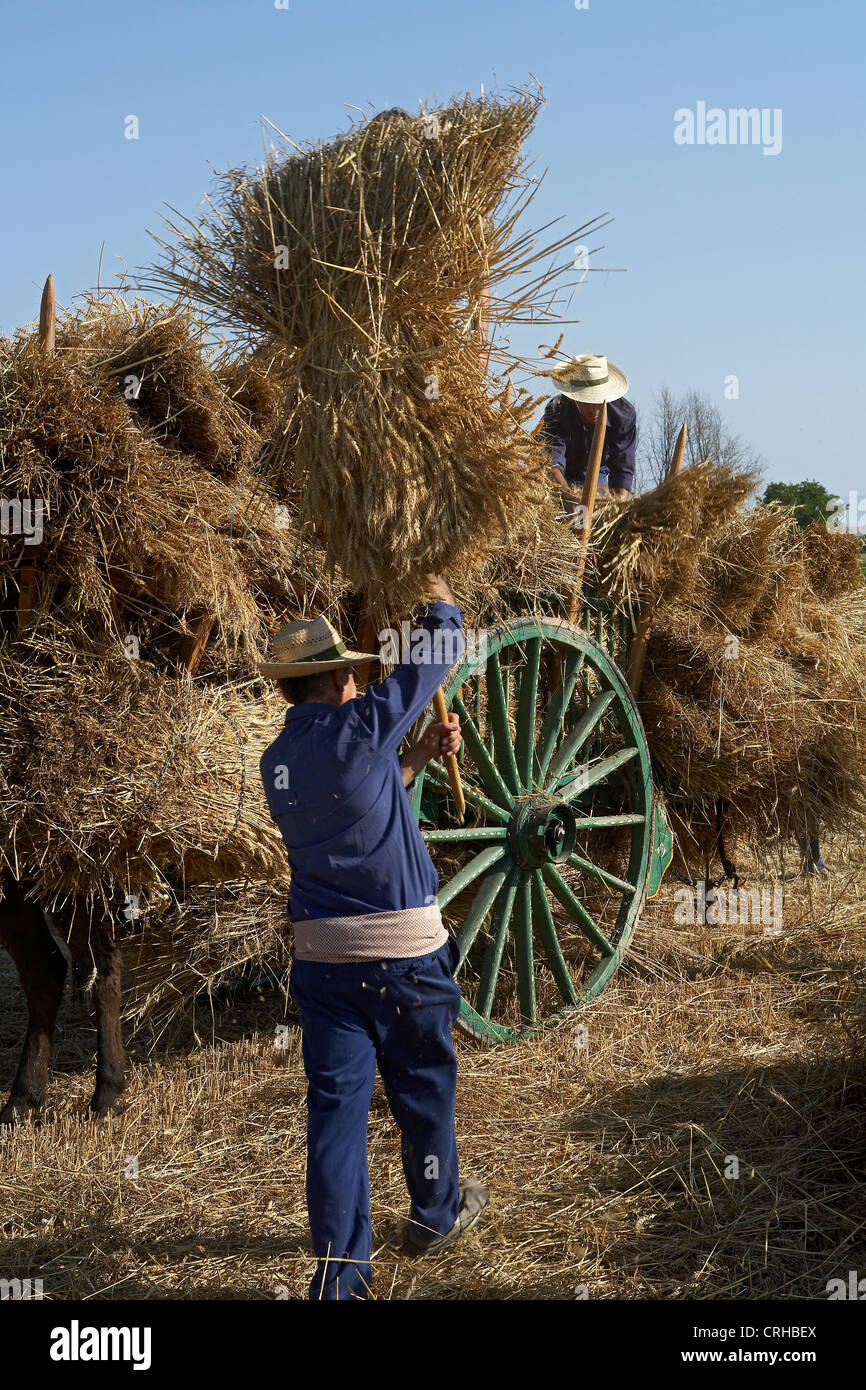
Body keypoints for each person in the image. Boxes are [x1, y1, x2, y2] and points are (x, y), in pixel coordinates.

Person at [259, 576, 489, 1300]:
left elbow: (357, 807)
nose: (360, 678)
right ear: (335, 679)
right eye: (353, 671)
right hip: (404, 959)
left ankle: (339, 1279)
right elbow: (435, 657)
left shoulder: (278, 765)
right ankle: (434, 1213)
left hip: (325, 968)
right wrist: (441, 601)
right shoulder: (361, 731)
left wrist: (414, 755)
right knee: (421, 1092)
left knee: (335, 1117)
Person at [541, 353, 636, 512]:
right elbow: (552, 462)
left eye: (598, 401)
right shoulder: (557, 411)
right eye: (587, 402)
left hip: (598, 475)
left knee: (594, 519)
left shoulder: (623, 415)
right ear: (575, 398)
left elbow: (623, 468)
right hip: (561, 478)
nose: (594, 410)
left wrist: (616, 511)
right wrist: (568, 498)